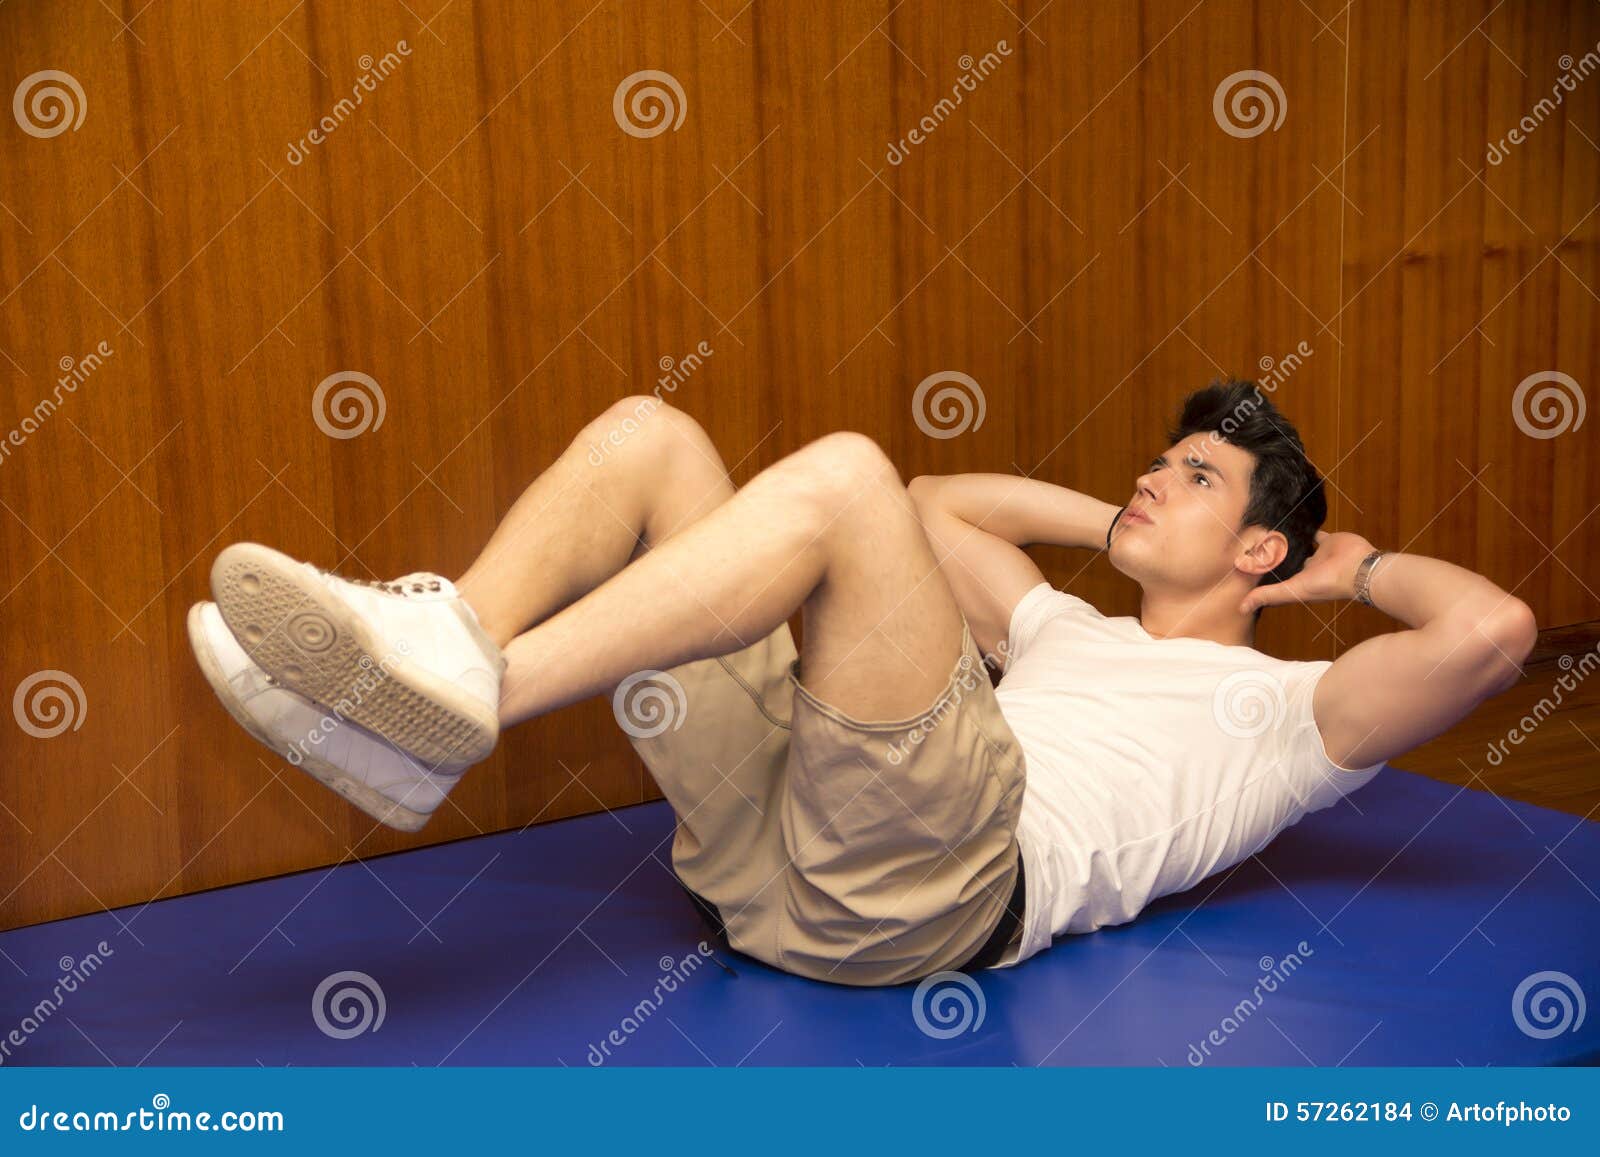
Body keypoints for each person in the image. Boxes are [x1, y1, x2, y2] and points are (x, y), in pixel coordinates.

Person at [186, 378, 1537, 987]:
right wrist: (1119, 524)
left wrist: (1348, 572)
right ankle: (448, 659)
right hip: (762, 868)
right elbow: (936, 500)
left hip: (930, 900)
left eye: (1194, 474)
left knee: (838, 478)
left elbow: (1491, 633)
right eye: (1161, 455)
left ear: (1258, 544)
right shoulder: (1065, 626)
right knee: (654, 434)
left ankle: (463, 694)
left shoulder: (1295, 721)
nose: (1151, 474)